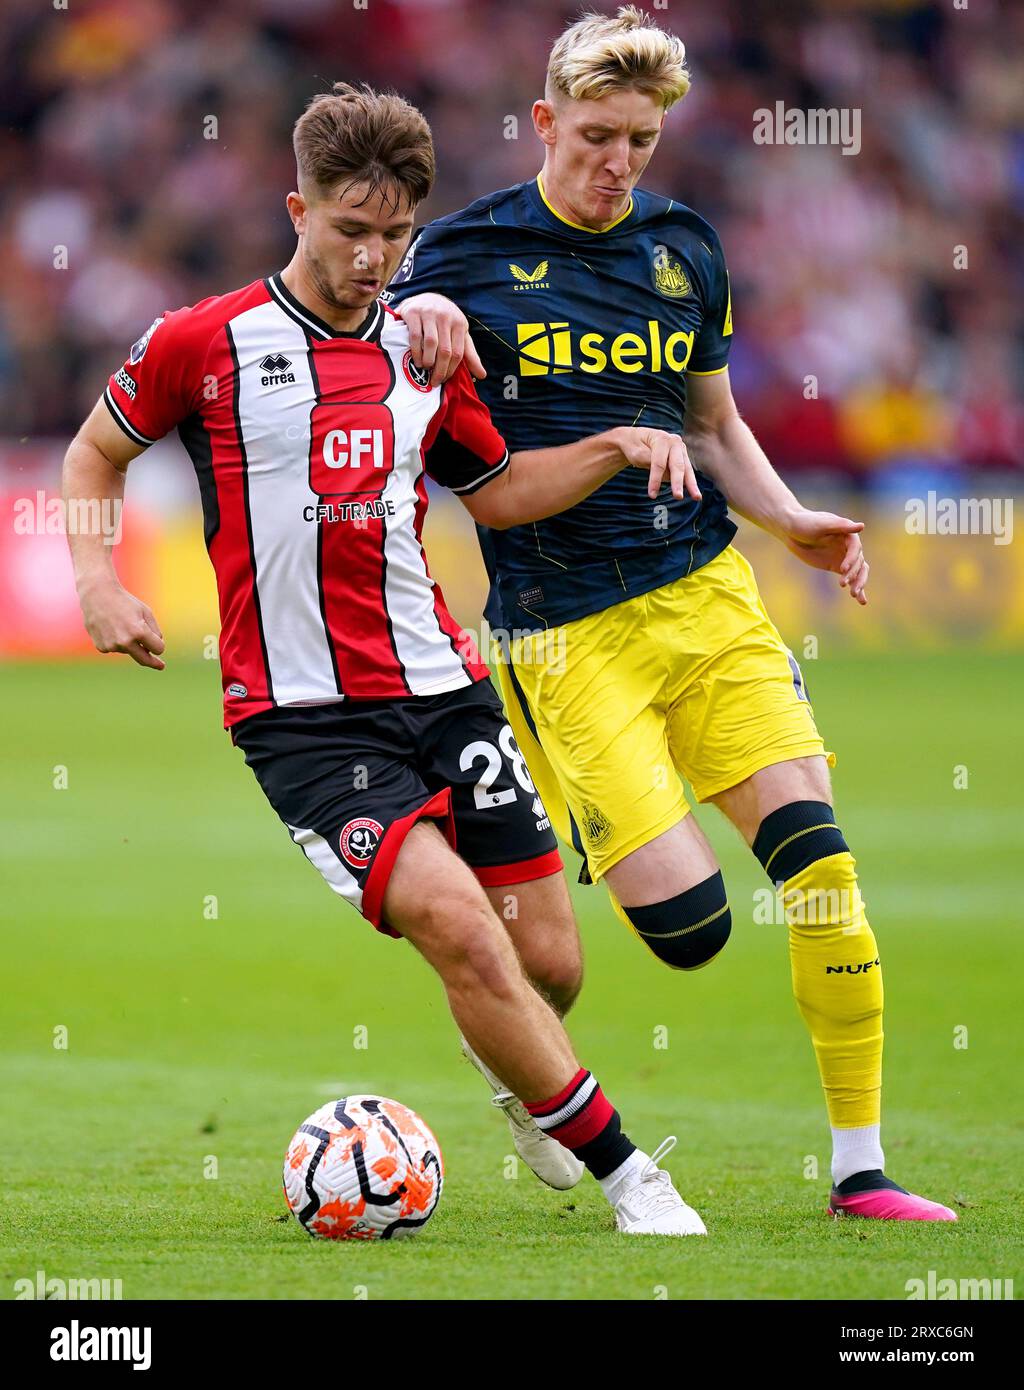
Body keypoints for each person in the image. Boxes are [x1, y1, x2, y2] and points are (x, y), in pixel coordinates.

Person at [62, 81, 709, 1236]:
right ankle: (630, 1176)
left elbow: (497, 492)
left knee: (547, 964)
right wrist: (98, 580)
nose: (372, 257)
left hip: (443, 688)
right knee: (461, 931)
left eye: (395, 236)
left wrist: (614, 442)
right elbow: (93, 455)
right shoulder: (202, 343)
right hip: (303, 719)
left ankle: (527, 1080)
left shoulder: (426, 350)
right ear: (295, 207)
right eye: (349, 230)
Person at [388, 6, 956, 1222]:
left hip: (707, 597)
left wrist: (790, 518)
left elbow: (713, 423)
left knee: (821, 871)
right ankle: (523, 1066)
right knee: (690, 931)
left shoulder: (684, 245)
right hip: (566, 630)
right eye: (594, 136)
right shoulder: (462, 254)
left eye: (639, 142)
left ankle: (860, 1167)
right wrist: (408, 320)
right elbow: (363, 342)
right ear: (542, 122)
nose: (615, 165)